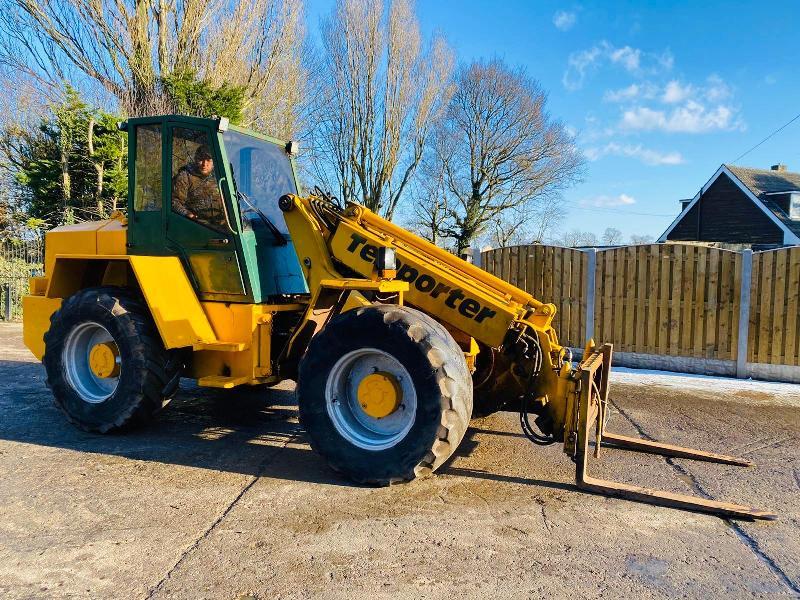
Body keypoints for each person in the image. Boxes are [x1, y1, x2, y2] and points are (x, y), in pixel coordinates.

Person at [172, 145, 227, 230]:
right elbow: (174, 202)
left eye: (208, 160)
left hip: (220, 223)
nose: (204, 164)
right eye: (201, 160)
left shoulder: (219, 177)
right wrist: (187, 214)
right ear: (195, 160)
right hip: (195, 225)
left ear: (213, 163)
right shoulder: (185, 176)